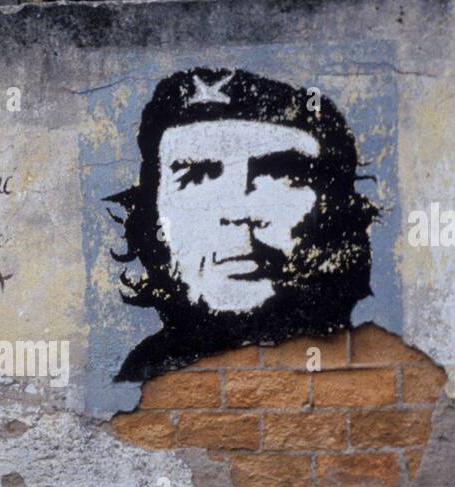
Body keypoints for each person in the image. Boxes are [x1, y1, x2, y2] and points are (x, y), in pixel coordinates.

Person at [106, 66, 379, 380]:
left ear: (335, 207)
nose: (237, 211)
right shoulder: (142, 378)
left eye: (280, 175)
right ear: (151, 212)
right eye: (197, 176)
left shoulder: (367, 372)